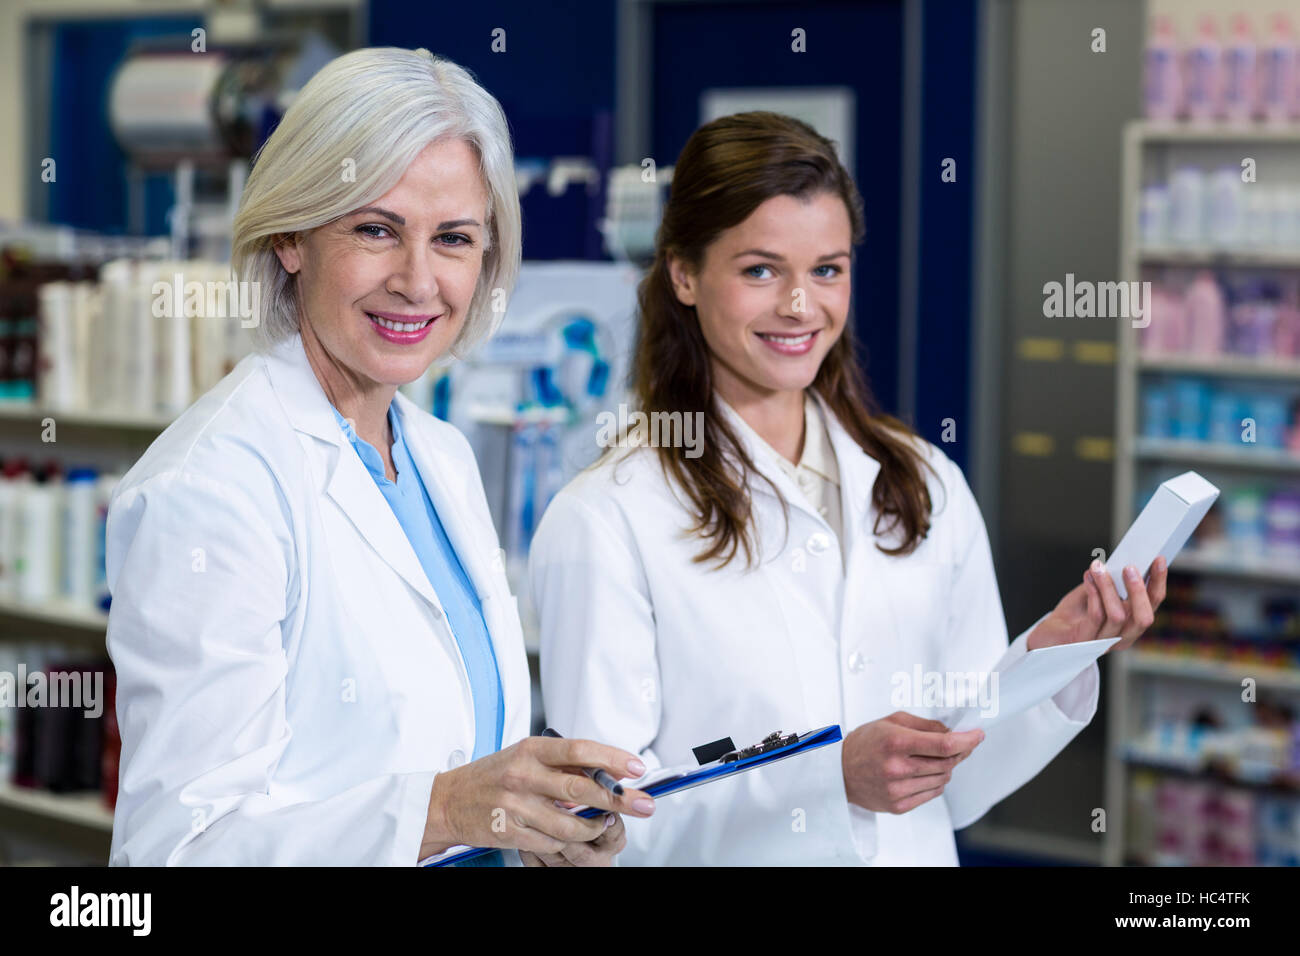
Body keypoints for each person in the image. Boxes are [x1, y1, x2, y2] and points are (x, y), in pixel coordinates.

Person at [527, 111, 1166, 865]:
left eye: (827, 269)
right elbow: (603, 827)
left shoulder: (924, 482)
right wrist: (827, 779)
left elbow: (958, 785)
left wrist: (1053, 658)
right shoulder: (607, 516)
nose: (802, 306)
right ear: (685, 274)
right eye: (761, 270)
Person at [105, 47, 652, 867]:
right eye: (375, 229)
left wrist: (535, 825)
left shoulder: (440, 456)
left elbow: (450, 772)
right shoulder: (210, 490)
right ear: (291, 235)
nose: (418, 280)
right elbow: (175, 853)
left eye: (454, 239)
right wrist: (449, 809)